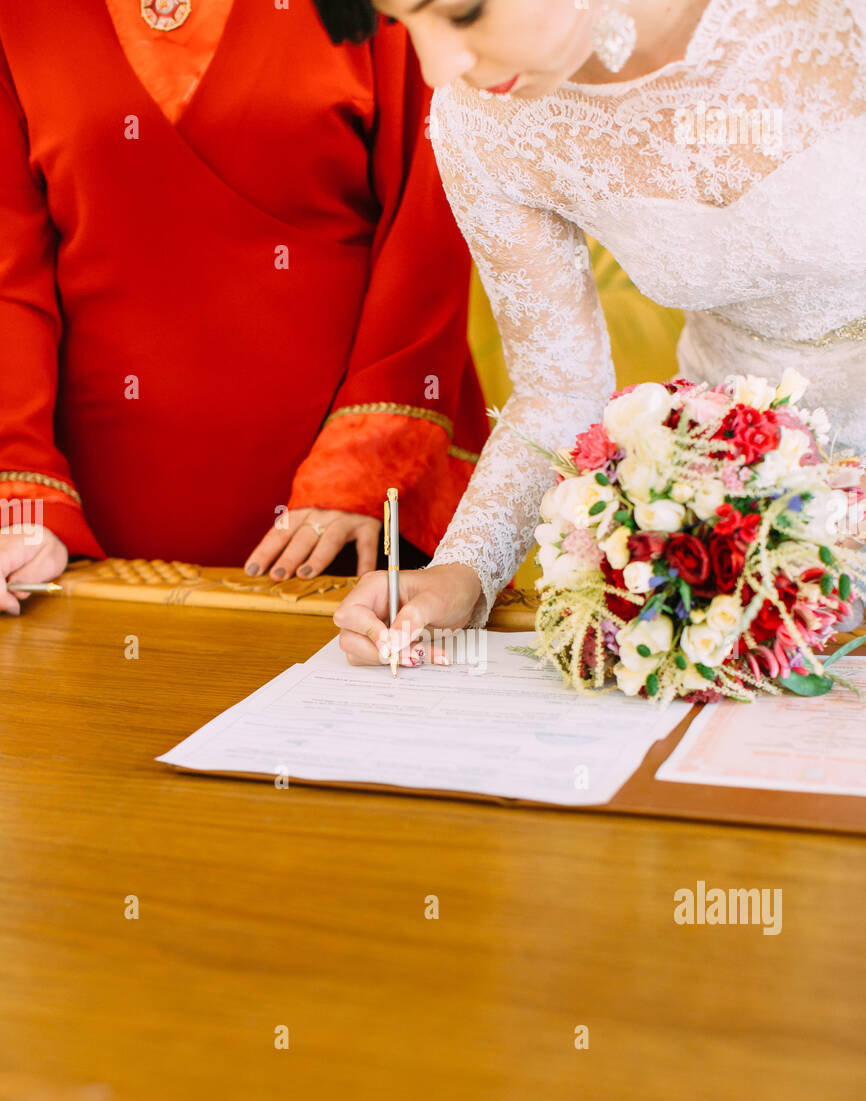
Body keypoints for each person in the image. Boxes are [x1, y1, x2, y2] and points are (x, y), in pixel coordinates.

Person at [321, 0, 866, 667]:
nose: (439, 65)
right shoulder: (483, 116)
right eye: (406, 24)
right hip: (732, 524)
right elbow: (559, 391)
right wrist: (461, 572)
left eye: (463, 12)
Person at [0, 0, 490, 617]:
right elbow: (9, 284)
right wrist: (23, 503)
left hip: (353, 519)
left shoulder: (386, 8)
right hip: (85, 532)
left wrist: (361, 470)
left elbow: (427, 225)